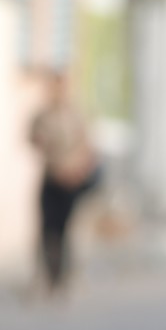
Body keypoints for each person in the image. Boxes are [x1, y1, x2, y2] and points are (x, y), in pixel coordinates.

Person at [28, 72, 98, 293]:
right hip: (51, 177)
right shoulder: (43, 116)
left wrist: (78, 170)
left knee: (66, 230)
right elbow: (33, 140)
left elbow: (88, 146)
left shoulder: (75, 115)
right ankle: (48, 276)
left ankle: (64, 278)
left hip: (71, 180)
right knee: (48, 229)